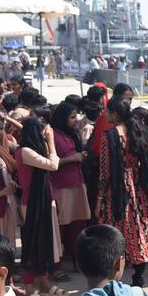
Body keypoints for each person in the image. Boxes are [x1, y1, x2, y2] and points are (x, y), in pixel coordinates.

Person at [96, 99, 148, 287]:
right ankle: (139, 276)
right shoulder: (141, 131)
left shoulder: (109, 136)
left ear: (115, 115)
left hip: (118, 189)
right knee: (138, 226)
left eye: (108, 112)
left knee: (117, 227)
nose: (106, 116)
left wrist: (99, 200)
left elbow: (105, 171)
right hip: (138, 187)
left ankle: (116, 272)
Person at [15, 117, 70, 296]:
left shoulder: (36, 149)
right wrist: (51, 142)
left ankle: (44, 284)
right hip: (31, 203)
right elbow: (53, 165)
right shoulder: (25, 151)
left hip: (44, 200)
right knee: (32, 245)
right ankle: (29, 290)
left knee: (43, 244)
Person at [49, 101, 92, 270]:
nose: (76, 120)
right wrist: (72, 158)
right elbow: (50, 162)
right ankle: (56, 264)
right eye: (72, 117)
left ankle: (78, 260)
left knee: (79, 224)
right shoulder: (52, 134)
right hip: (61, 185)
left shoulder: (71, 133)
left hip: (77, 182)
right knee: (61, 225)